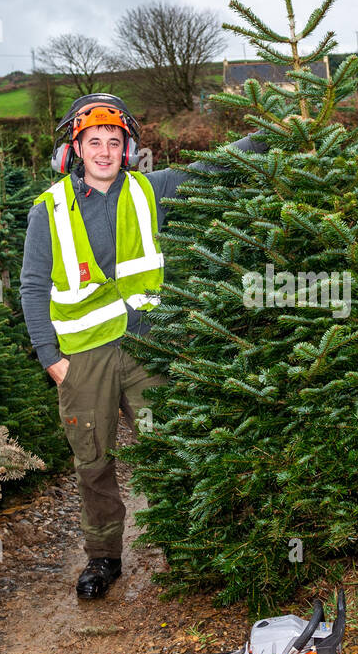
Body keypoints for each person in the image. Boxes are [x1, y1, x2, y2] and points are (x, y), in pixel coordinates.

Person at [19, 93, 266, 600]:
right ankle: (103, 558)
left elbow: (215, 168)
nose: (105, 151)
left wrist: (275, 131)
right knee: (92, 463)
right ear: (75, 150)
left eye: (114, 142)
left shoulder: (152, 189)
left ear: (127, 149)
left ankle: (185, 546)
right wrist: (51, 358)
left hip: (147, 351)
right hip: (82, 357)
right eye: (94, 142)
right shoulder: (48, 211)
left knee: (170, 449)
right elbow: (32, 286)